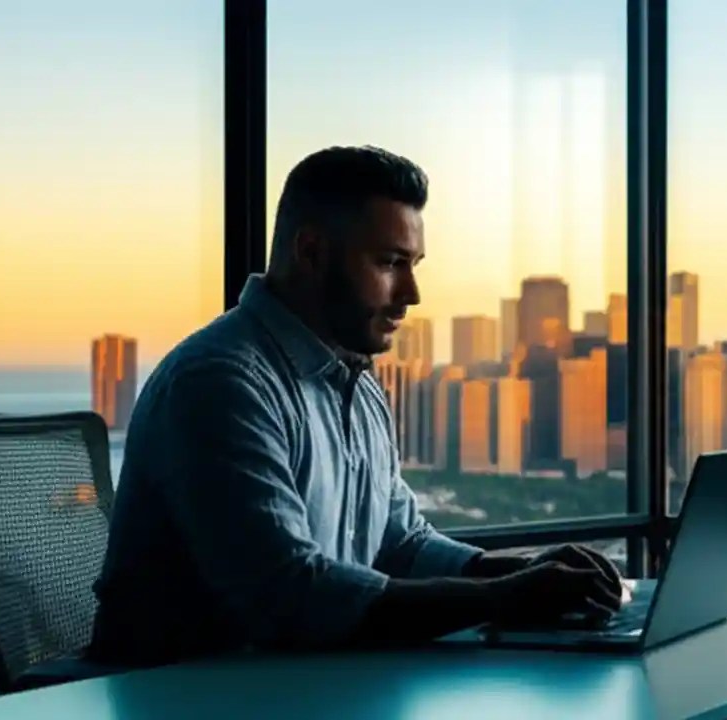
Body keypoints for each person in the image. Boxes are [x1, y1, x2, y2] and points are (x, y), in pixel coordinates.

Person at [88, 145, 623, 667]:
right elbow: (291, 595)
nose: (411, 293)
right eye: (391, 263)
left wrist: (517, 571)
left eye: (413, 265)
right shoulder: (221, 383)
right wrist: (505, 597)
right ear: (312, 252)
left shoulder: (356, 384)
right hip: (188, 700)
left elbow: (400, 543)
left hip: (307, 689)